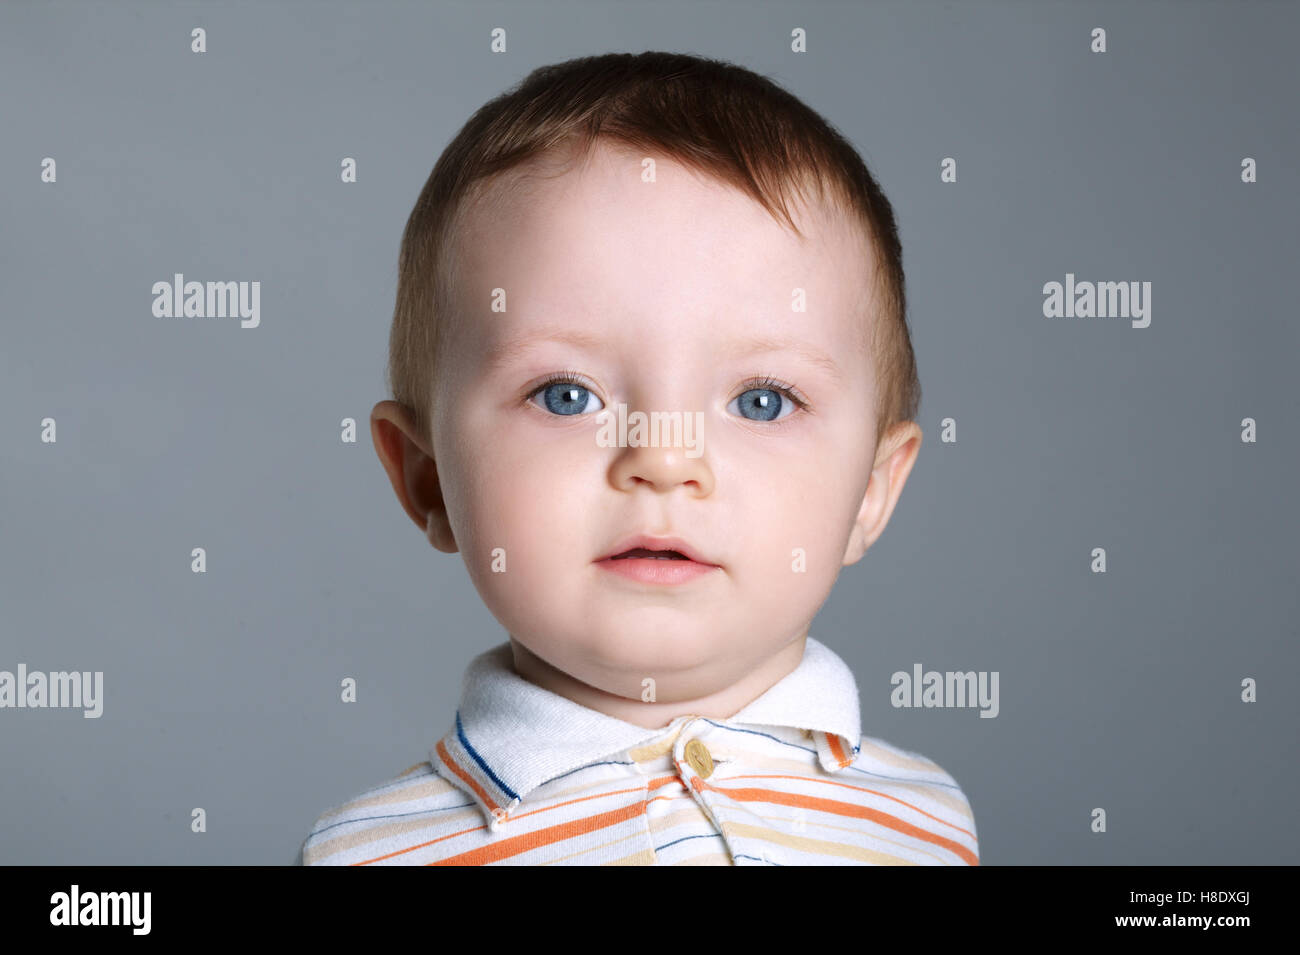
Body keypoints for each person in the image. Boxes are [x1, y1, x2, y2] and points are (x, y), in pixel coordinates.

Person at [301, 51, 977, 865]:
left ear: (871, 490)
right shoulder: (373, 855)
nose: (663, 460)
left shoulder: (927, 823)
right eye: (564, 394)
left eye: (762, 400)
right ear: (427, 476)